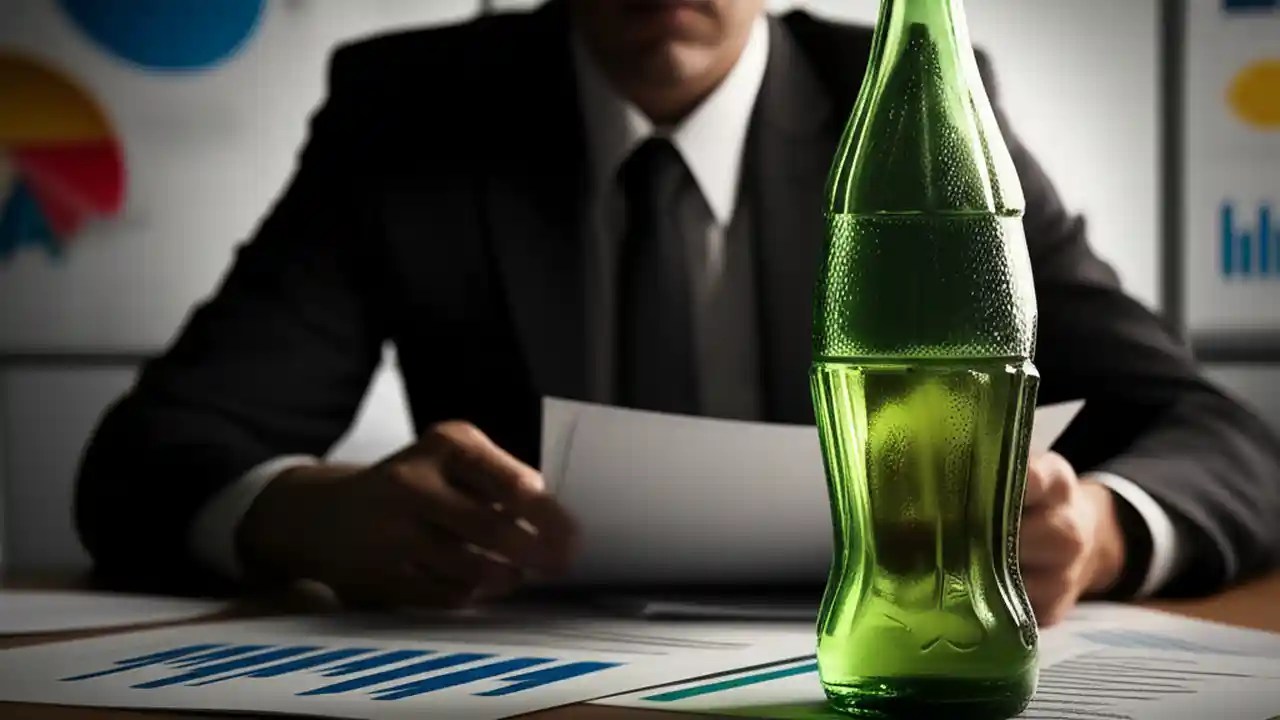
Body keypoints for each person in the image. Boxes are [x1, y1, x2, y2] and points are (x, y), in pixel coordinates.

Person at [74, 0, 1280, 626]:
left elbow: (1216, 439)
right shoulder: (413, 110)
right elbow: (148, 461)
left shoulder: (912, 98)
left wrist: (1105, 531)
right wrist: (308, 517)